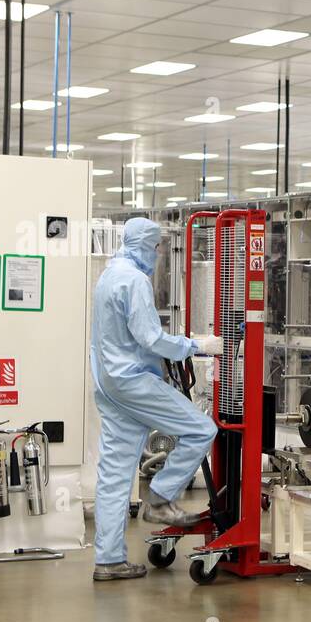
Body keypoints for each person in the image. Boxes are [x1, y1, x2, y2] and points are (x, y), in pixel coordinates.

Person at [90, 217, 223, 582]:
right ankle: (161, 498)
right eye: (156, 246)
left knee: (115, 476)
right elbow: (150, 337)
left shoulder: (108, 274)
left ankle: (110, 560)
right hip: (134, 382)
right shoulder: (134, 280)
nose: (158, 252)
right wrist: (197, 345)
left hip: (108, 382)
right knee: (201, 428)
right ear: (145, 245)